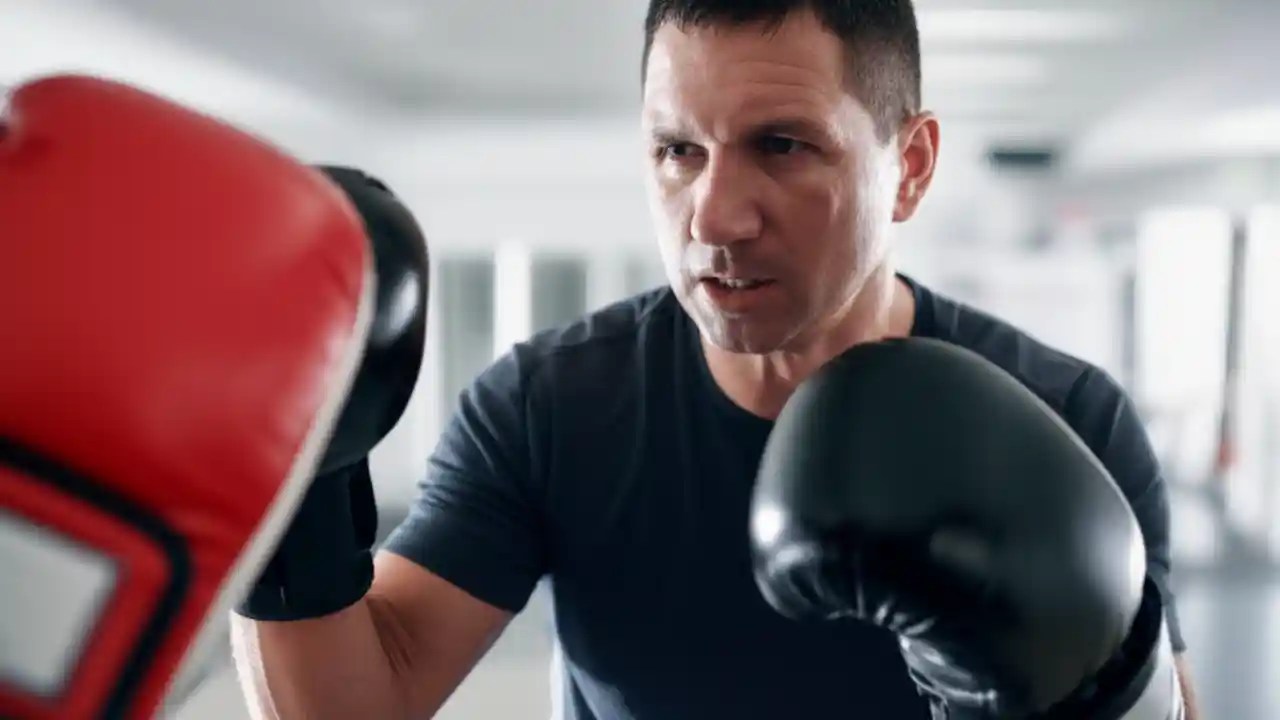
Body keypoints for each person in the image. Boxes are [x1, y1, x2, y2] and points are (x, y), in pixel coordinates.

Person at [230, 1, 1202, 718]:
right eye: (676, 152)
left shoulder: (1067, 414)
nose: (713, 216)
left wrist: (1099, 683)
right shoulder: (549, 406)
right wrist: (297, 478)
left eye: (780, 147)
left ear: (906, 167)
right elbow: (359, 701)